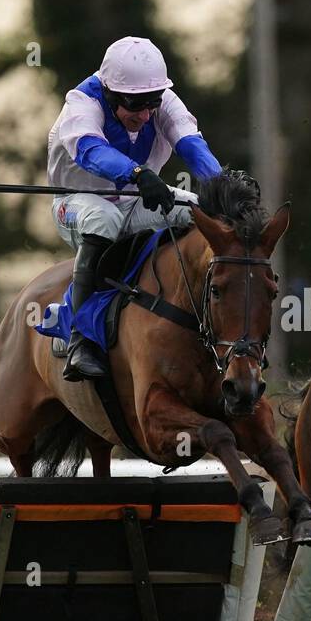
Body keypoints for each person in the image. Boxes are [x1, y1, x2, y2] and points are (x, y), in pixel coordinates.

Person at [46, 36, 224, 380]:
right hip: (75, 203)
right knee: (104, 217)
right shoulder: (81, 103)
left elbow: (190, 143)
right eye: (134, 105)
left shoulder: (162, 101)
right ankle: (81, 338)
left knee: (200, 211)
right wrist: (138, 173)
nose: (144, 115)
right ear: (110, 93)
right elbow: (90, 151)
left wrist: (221, 185)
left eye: (151, 104)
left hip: (134, 200)